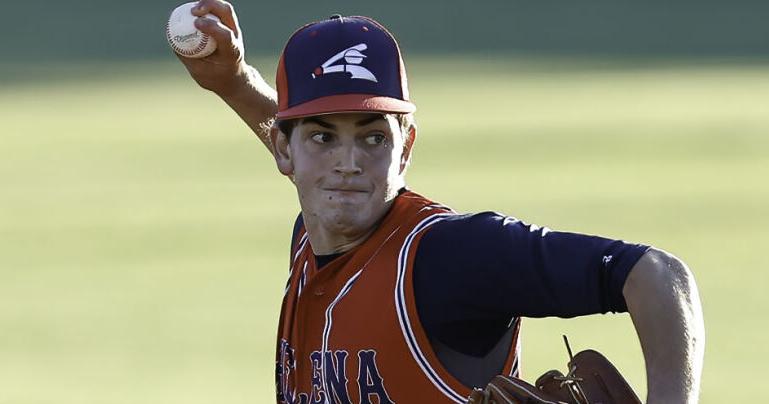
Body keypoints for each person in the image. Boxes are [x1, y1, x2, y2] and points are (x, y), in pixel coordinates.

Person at [175, 2, 705, 403]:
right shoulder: (312, 238)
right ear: (283, 149)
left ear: (405, 148)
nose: (349, 162)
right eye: (324, 137)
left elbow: (656, 273)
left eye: (374, 137)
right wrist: (235, 84)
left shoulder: (446, 256)